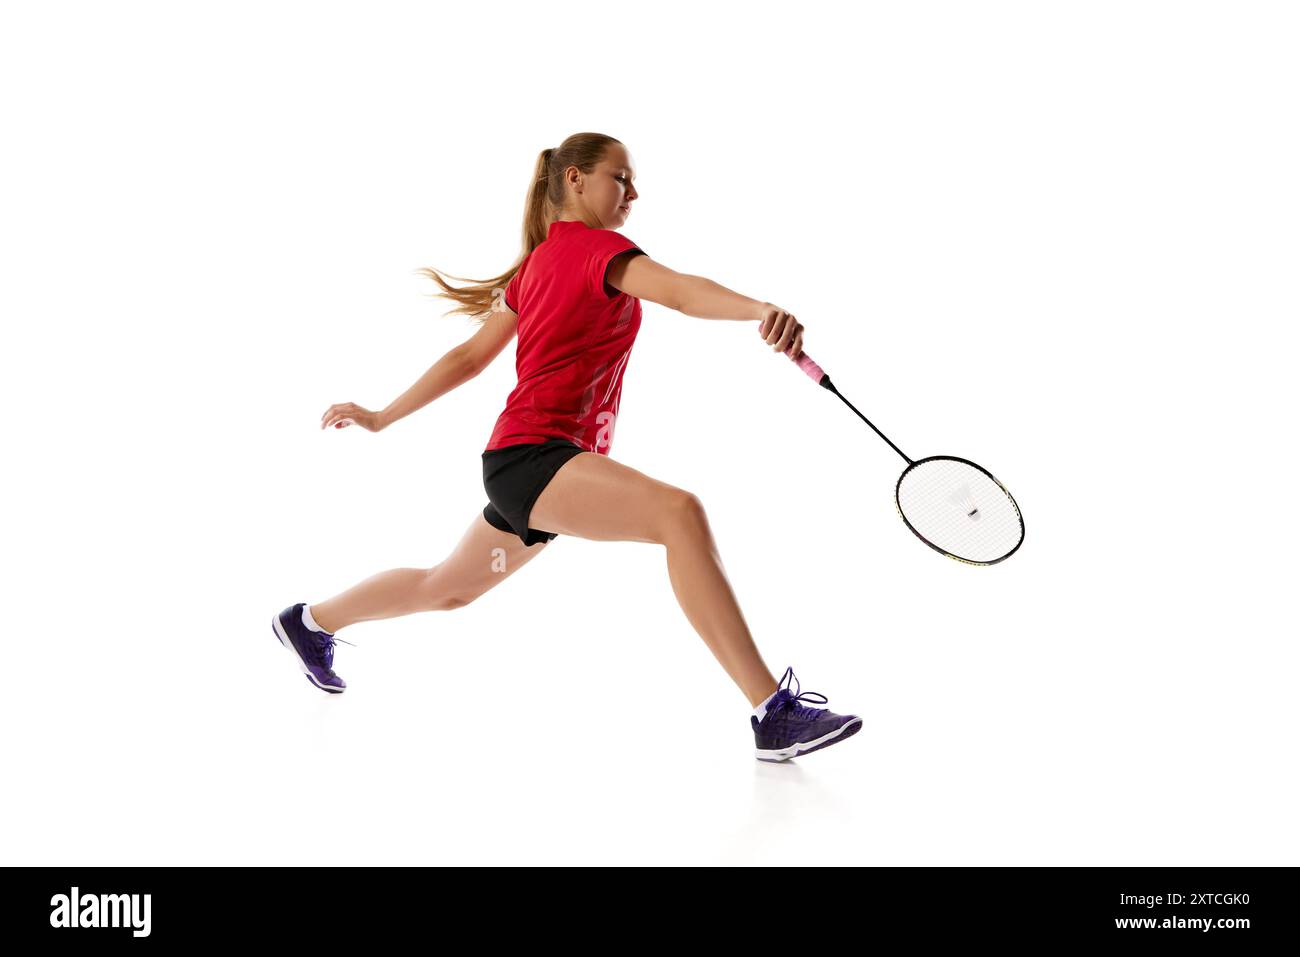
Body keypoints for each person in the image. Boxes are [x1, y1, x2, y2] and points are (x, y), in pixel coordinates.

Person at [271, 132, 861, 762]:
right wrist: (760, 309)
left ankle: (309, 622)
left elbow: (471, 357)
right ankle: (772, 712)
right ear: (575, 180)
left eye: (633, 184)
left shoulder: (531, 270)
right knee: (679, 514)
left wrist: (384, 415)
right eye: (620, 178)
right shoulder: (595, 249)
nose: (631, 193)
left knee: (446, 587)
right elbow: (681, 291)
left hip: (523, 468)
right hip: (537, 460)